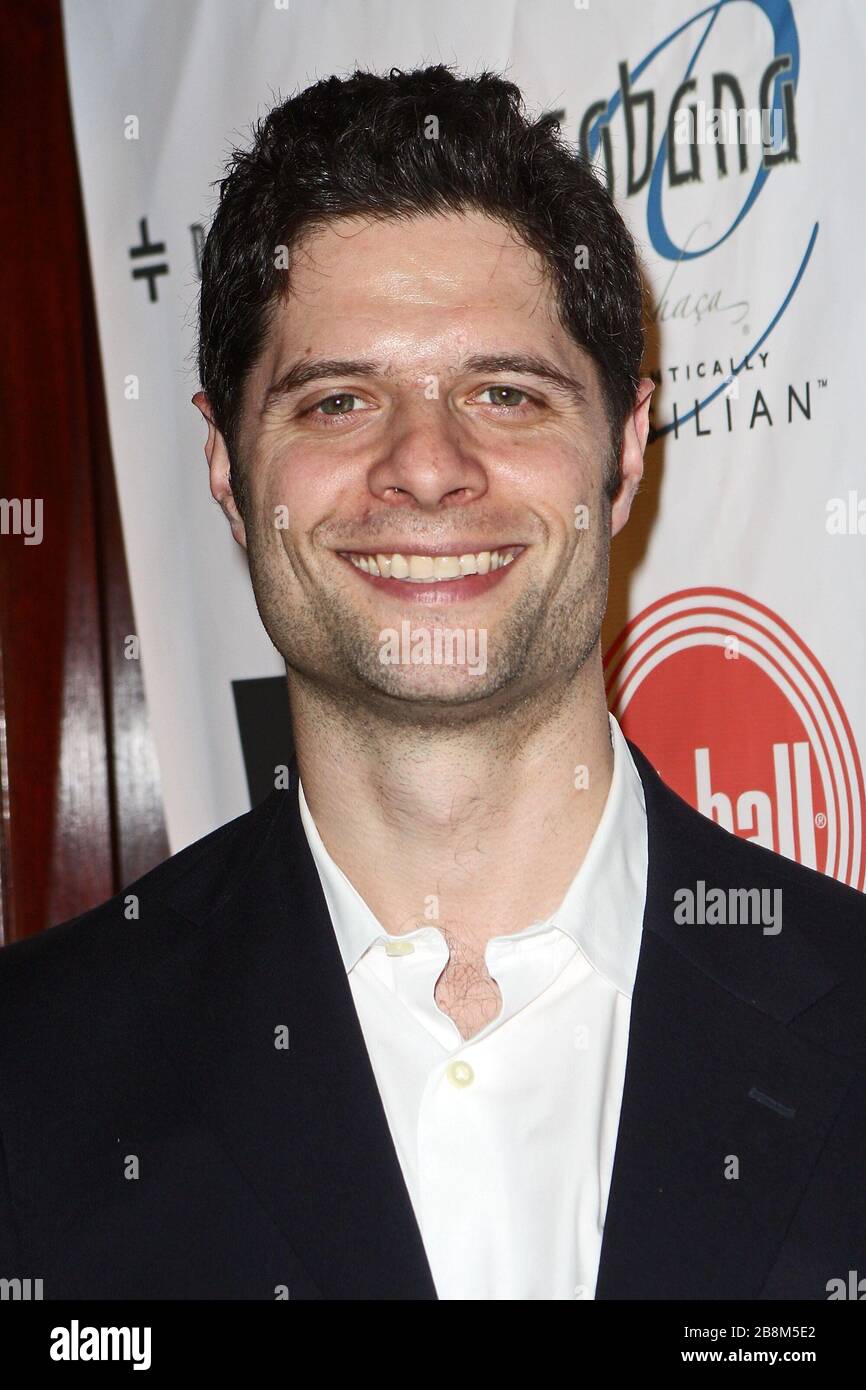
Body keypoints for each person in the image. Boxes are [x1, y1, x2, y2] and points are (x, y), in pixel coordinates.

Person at [1, 65, 863, 1302]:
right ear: (227, 469)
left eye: (503, 393)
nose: (423, 465)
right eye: (339, 398)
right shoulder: (32, 1077)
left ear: (621, 454)